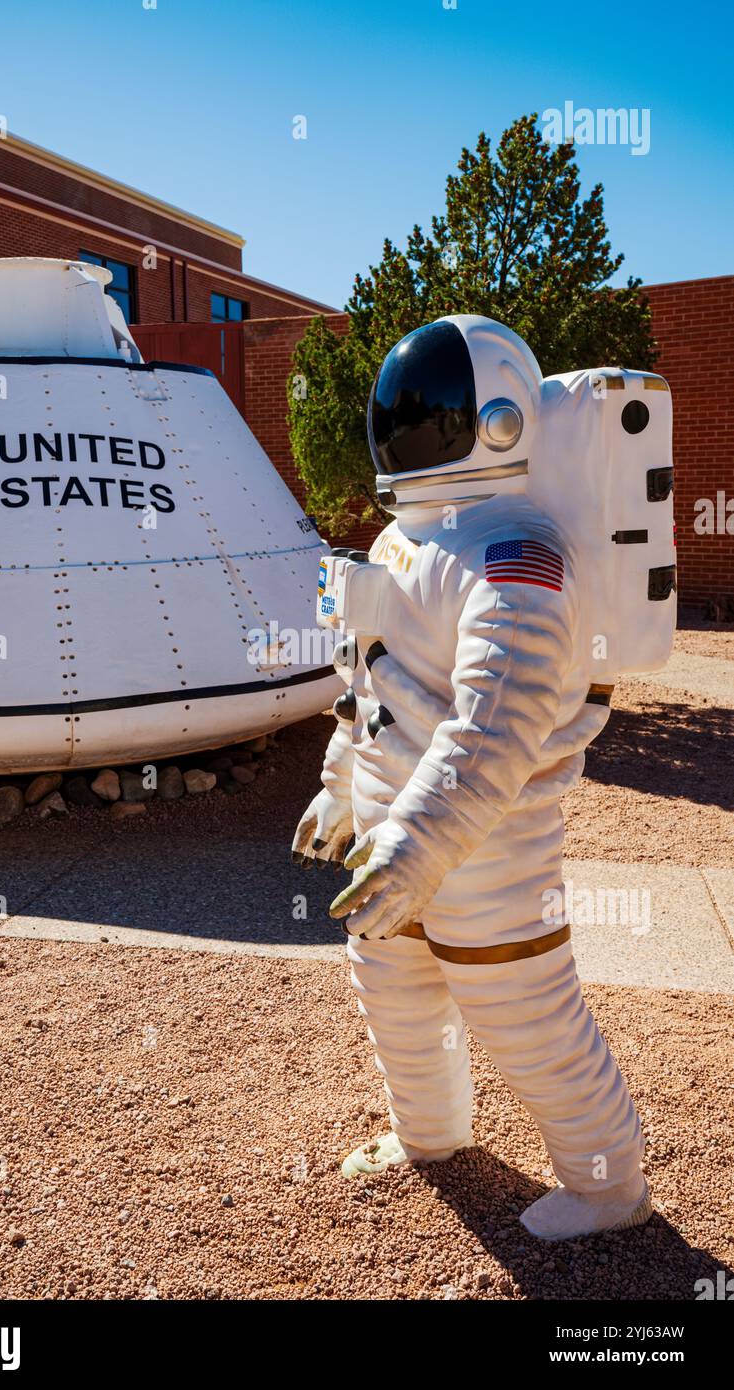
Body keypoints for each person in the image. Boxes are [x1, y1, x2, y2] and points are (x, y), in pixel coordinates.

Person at [292, 316, 653, 1241]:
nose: (408, 427)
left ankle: (608, 1187)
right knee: (395, 991)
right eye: (405, 413)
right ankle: (429, 1133)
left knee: (525, 1014)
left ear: (496, 420)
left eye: (429, 413)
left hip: (487, 849)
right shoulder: (399, 544)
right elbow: (363, 684)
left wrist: (417, 846)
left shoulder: (517, 557)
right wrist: (342, 785)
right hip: (389, 830)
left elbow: (497, 724)